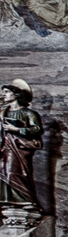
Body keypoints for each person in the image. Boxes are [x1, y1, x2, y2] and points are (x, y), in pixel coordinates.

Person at [0, 79, 42, 211]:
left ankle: (25, 199)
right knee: (3, 170)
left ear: (16, 94)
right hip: (4, 146)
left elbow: (37, 129)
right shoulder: (3, 113)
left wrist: (16, 130)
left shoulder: (28, 113)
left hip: (19, 147)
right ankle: (6, 199)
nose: (4, 95)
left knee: (15, 171)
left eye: (7, 92)